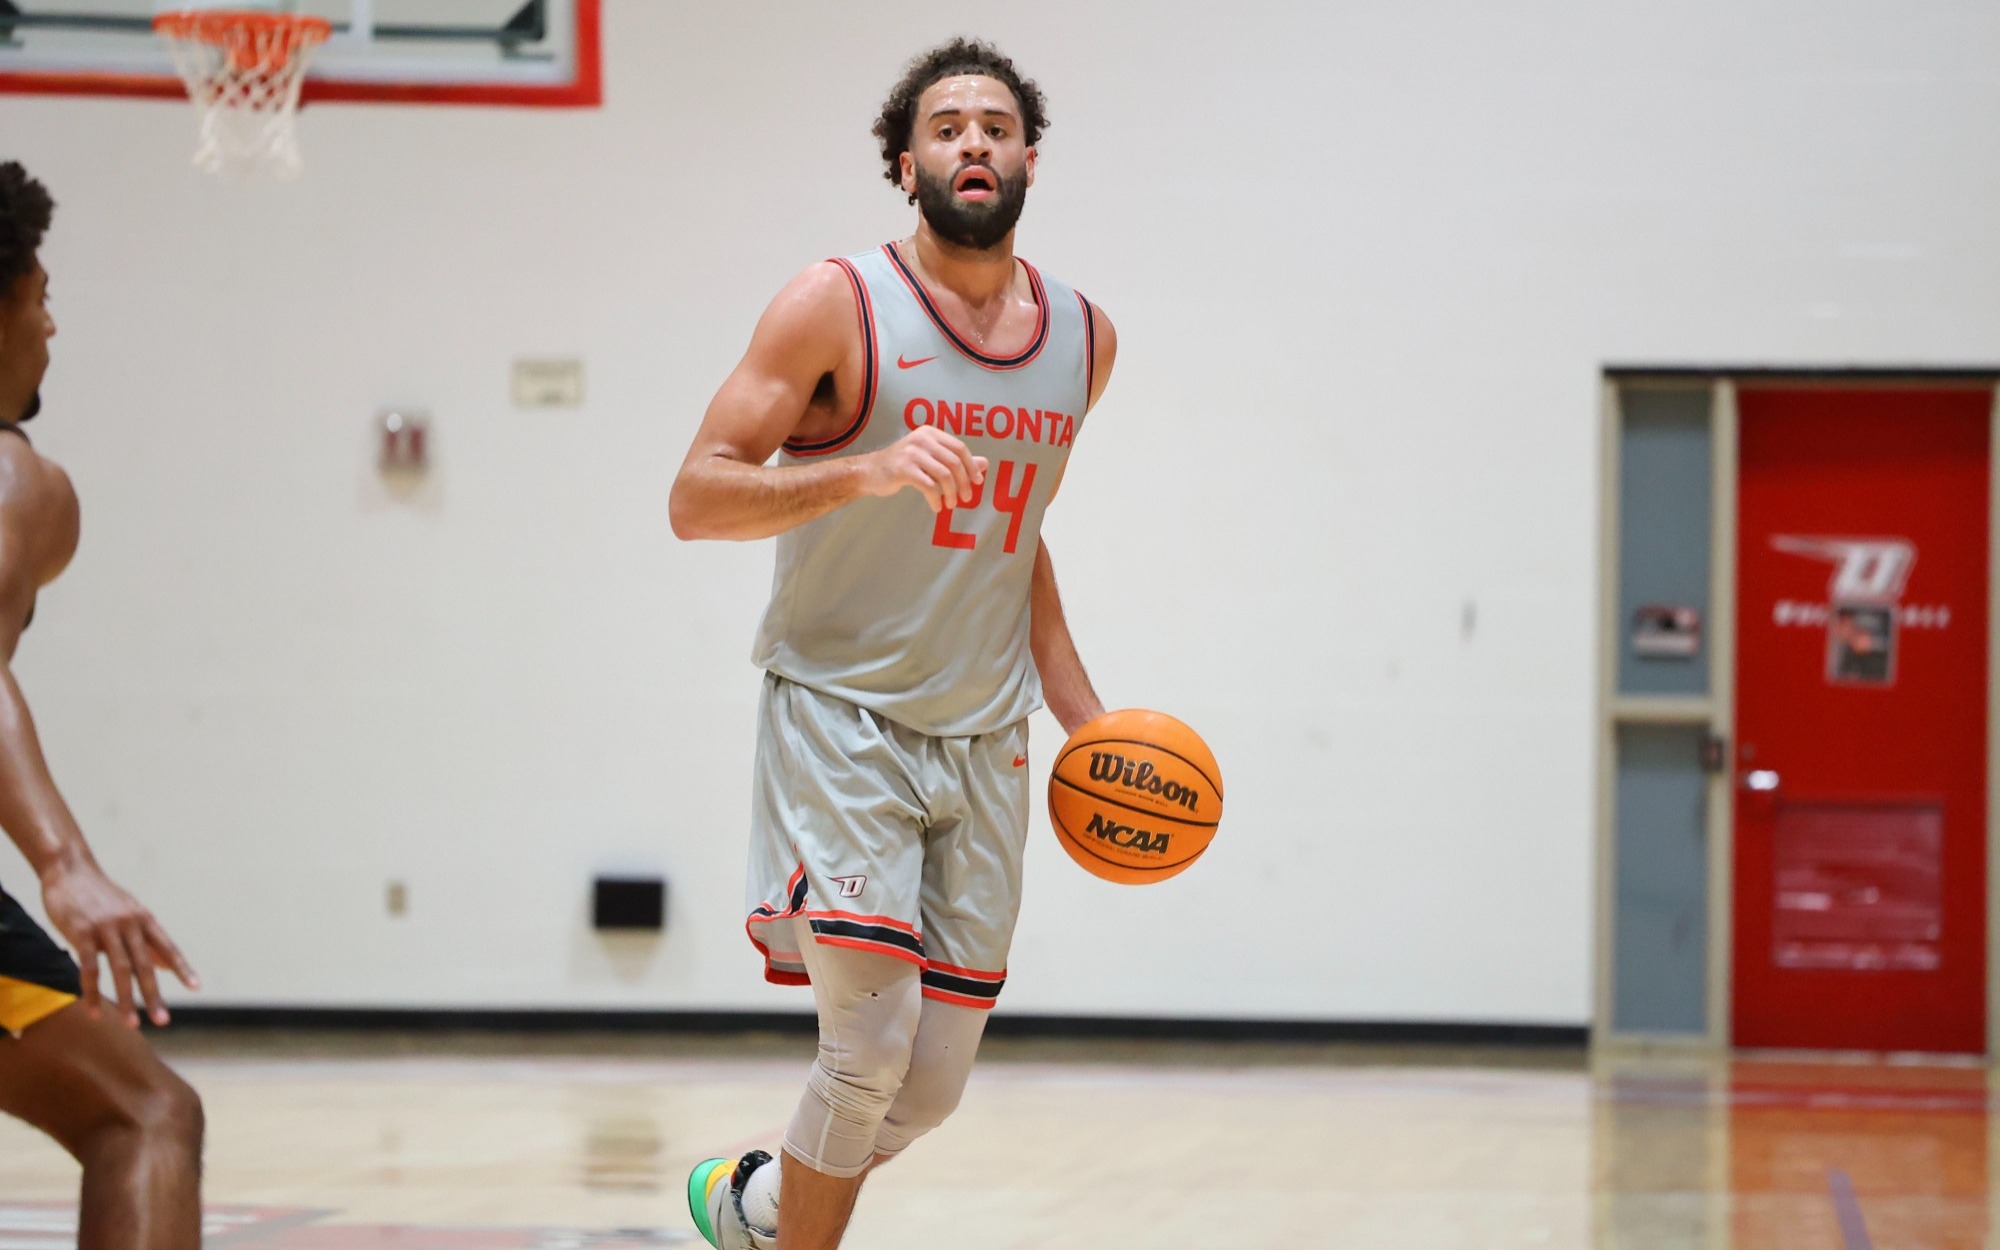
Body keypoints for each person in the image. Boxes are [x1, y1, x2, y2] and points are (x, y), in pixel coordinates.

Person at [668, 37, 1118, 1250]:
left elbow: (1014, 543)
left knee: (928, 1085)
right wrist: (858, 471)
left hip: (986, 733)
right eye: (943, 126)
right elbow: (695, 496)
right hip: (841, 713)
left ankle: (756, 1206)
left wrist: (1093, 727)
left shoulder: (1084, 337)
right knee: (862, 1048)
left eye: (993, 124)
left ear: (1028, 155)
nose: (971, 140)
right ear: (902, 162)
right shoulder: (836, 302)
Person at [0, 161, 205, 1250]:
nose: (52, 327)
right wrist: (64, 858)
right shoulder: (14, 477)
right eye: (39, 298)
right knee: (147, 1113)